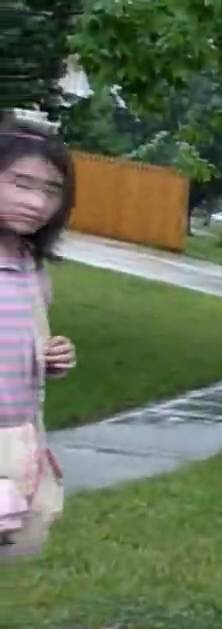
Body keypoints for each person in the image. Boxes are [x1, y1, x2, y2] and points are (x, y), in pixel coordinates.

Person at [0, 115, 78, 557]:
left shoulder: (31, 267)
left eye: (51, 190)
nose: (37, 203)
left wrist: (52, 358)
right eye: (20, 183)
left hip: (17, 443)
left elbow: (24, 345)